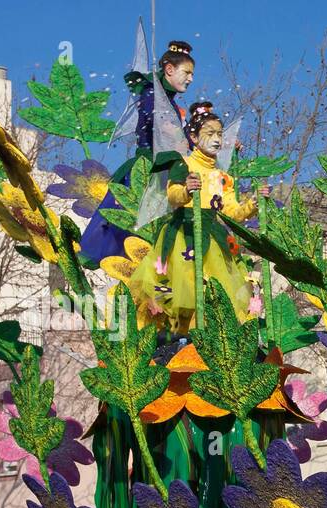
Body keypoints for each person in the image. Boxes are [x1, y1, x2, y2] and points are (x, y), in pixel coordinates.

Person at [128, 103, 268, 330]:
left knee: (217, 291)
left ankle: (205, 336)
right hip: (184, 234)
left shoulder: (222, 177)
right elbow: (172, 196)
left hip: (213, 239)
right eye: (210, 134)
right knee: (184, 289)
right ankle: (179, 335)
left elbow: (232, 212)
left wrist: (254, 202)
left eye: (220, 134)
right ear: (193, 137)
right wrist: (186, 191)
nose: (216, 140)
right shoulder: (184, 164)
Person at [80, 41, 195, 265]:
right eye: (187, 72)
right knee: (131, 222)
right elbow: (157, 121)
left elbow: (183, 135)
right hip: (148, 170)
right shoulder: (151, 93)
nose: (190, 79)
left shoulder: (170, 102)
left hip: (166, 168)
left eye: (192, 74)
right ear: (170, 70)